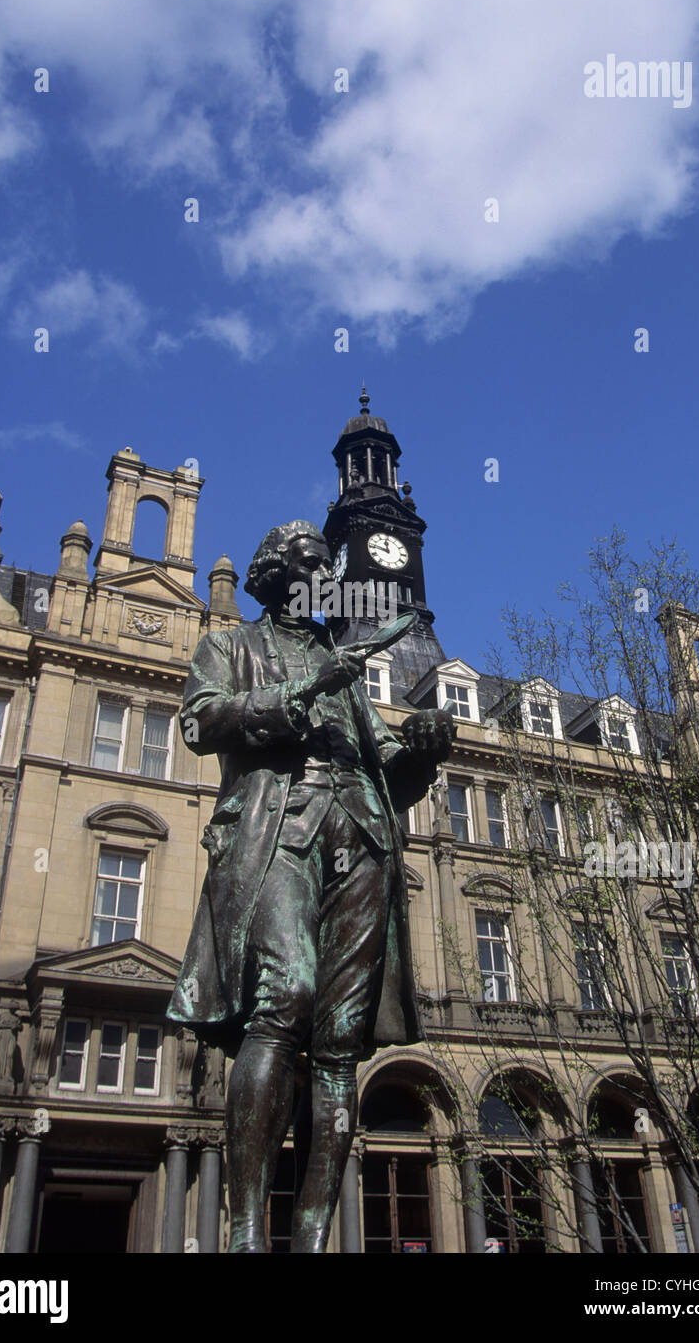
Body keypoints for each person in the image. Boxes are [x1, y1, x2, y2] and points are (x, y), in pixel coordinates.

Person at [168, 520, 454, 1252]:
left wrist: (424, 750)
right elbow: (201, 722)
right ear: (274, 571)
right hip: (278, 834)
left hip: (361, 840)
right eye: (309, 563)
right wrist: (303, 690)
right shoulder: (233, 645)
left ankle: (312, 1238)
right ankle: (245, 1234)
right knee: (284, 1000)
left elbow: (387, 764)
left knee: (338, 1043)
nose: (324, 576)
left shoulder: (340, 659)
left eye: (328, 567)